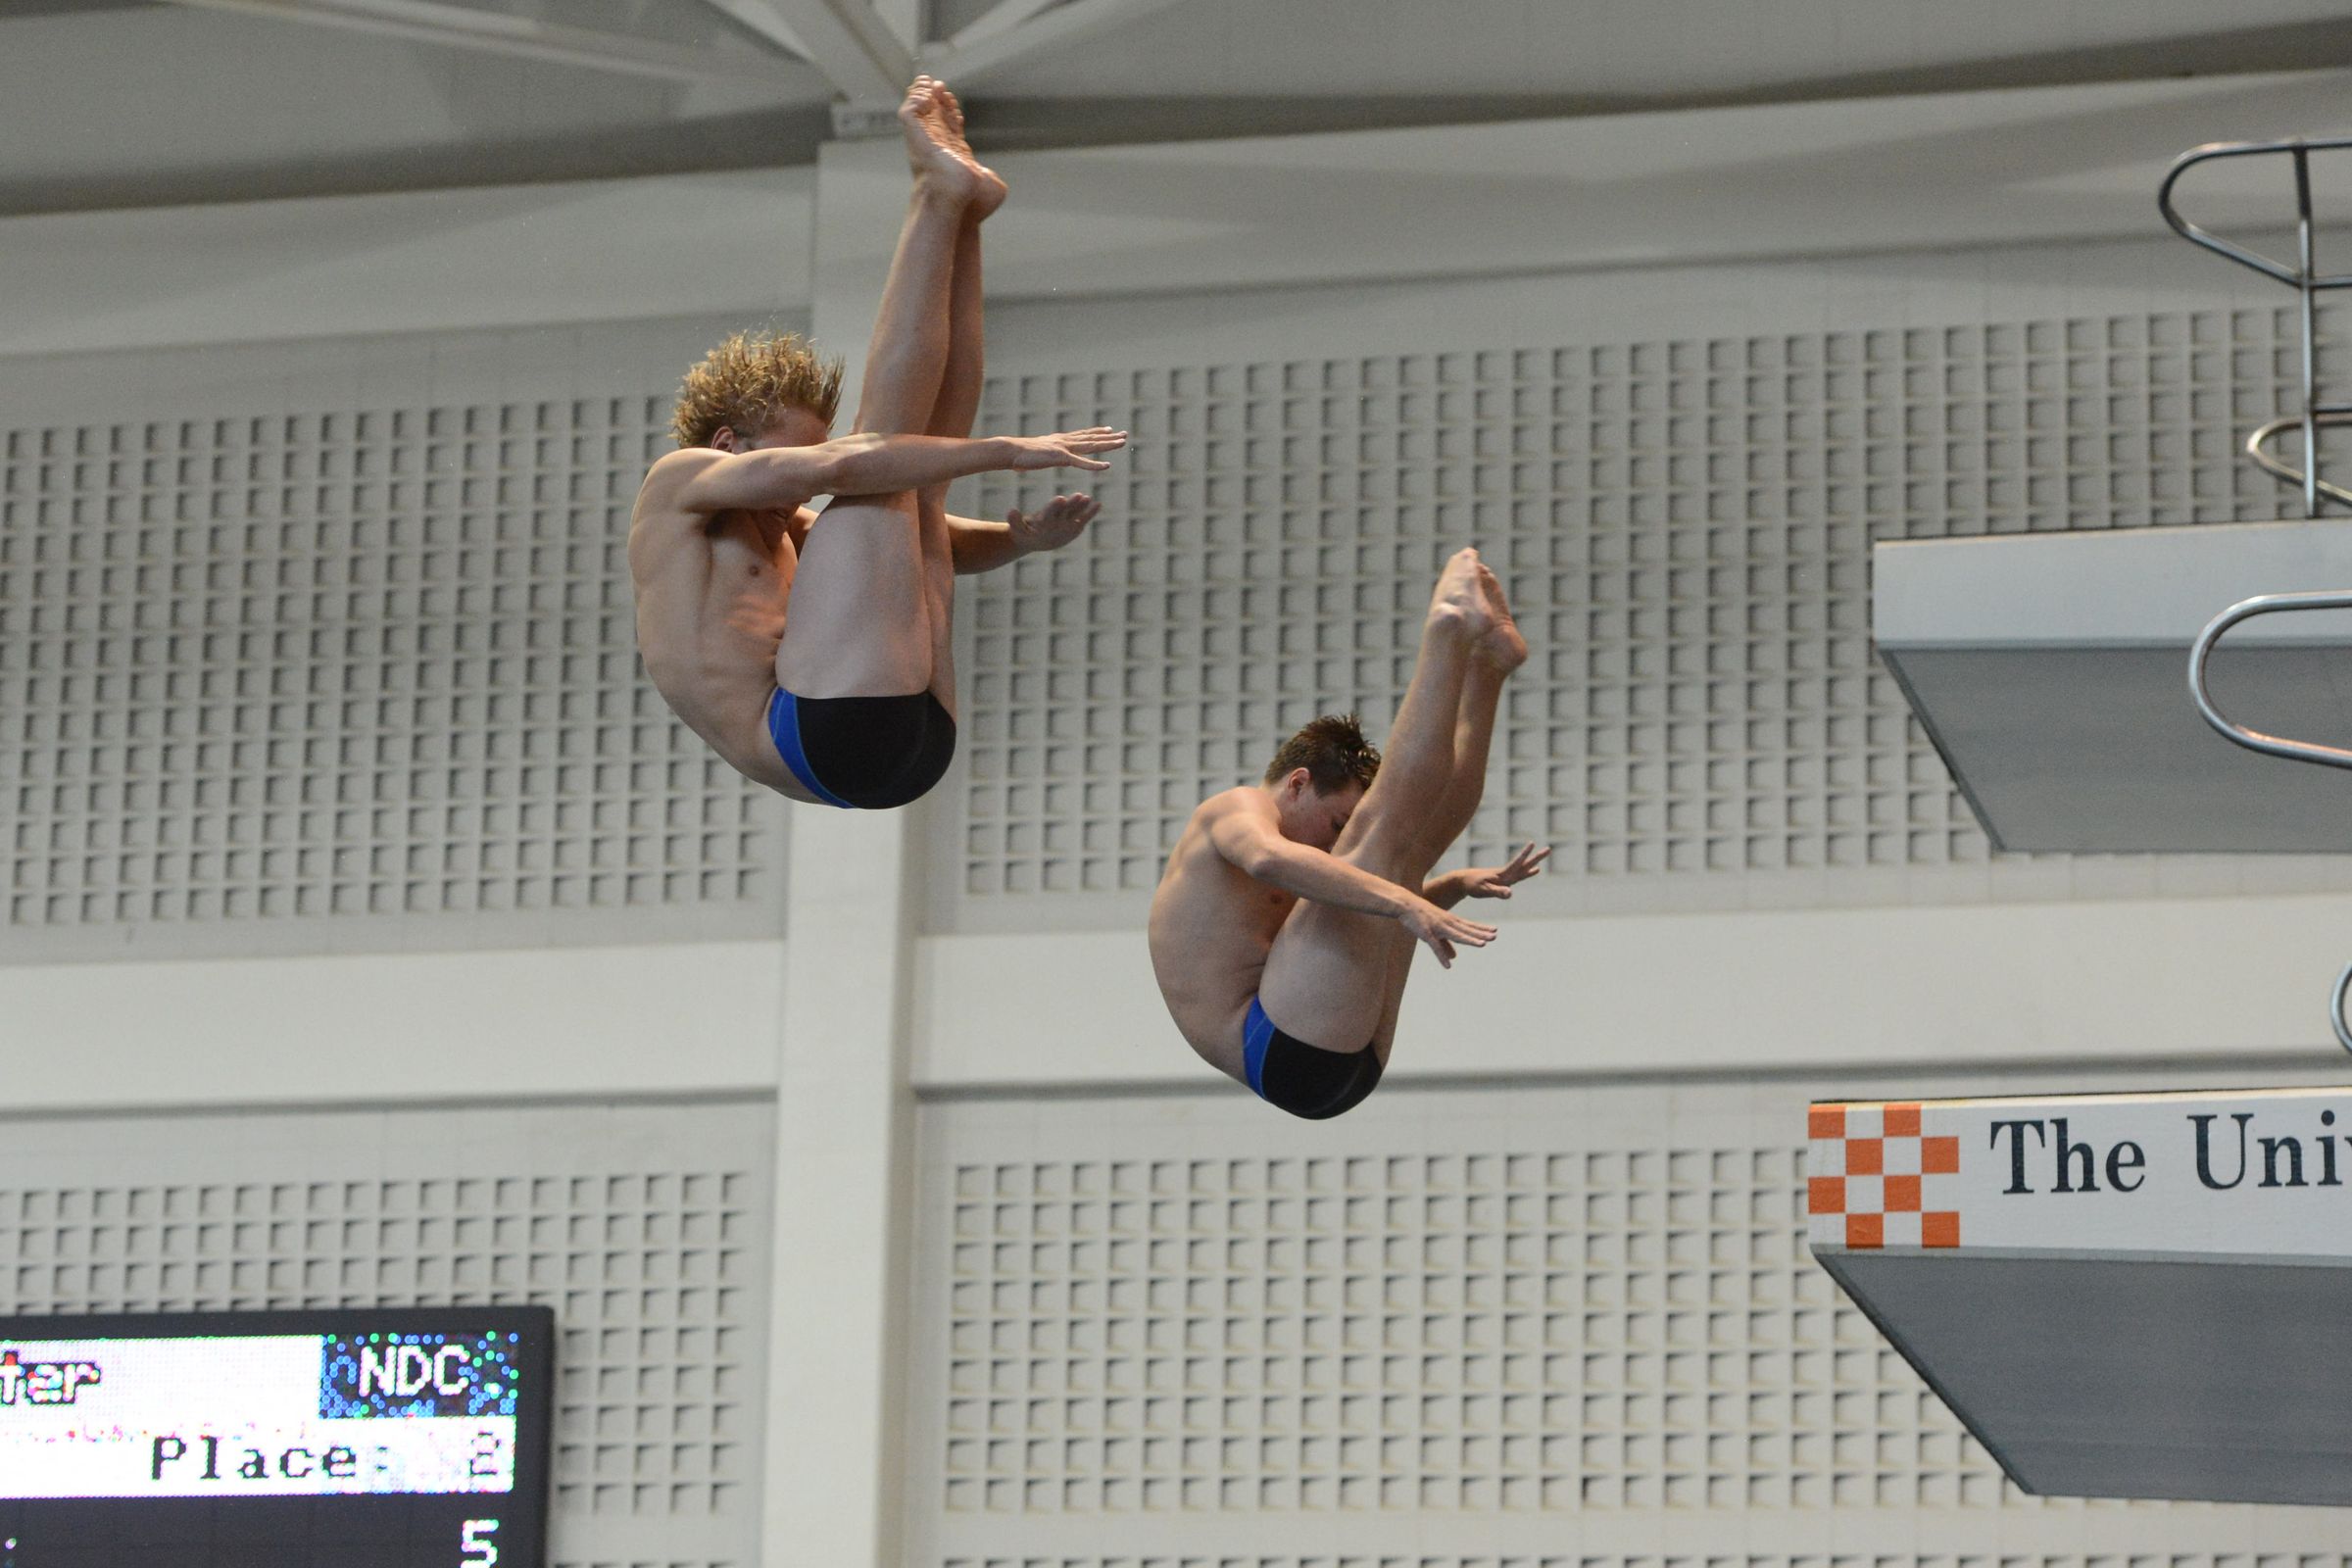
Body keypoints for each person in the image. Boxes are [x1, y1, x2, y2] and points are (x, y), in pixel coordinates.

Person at [628, 75, 1125, 809]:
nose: (803, 491)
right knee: (884, 467)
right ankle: (936, 196)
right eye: (788, 465)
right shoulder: (681, 483)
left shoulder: (783, 525)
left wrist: (1022, 541)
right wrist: (1008, 449)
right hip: (822, 736)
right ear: (727, 442)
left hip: (887, 735)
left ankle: (963, 211)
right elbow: (851, 461)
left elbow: (937, 528)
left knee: (915, 485)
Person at [1148, 548, 1549, 1118]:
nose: (1336, 840)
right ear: (1298, 784)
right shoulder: (1233, 810)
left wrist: (1450, 883)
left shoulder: (1310, 865)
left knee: (1407, 853)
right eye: (1337, 822)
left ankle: (1487, 668)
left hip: (1326, 1054)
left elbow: (1351, 933)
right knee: (1383, 847)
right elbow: (1264, 859)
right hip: (1274, 1044)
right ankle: (1448, 625)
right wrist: (1405, 902)